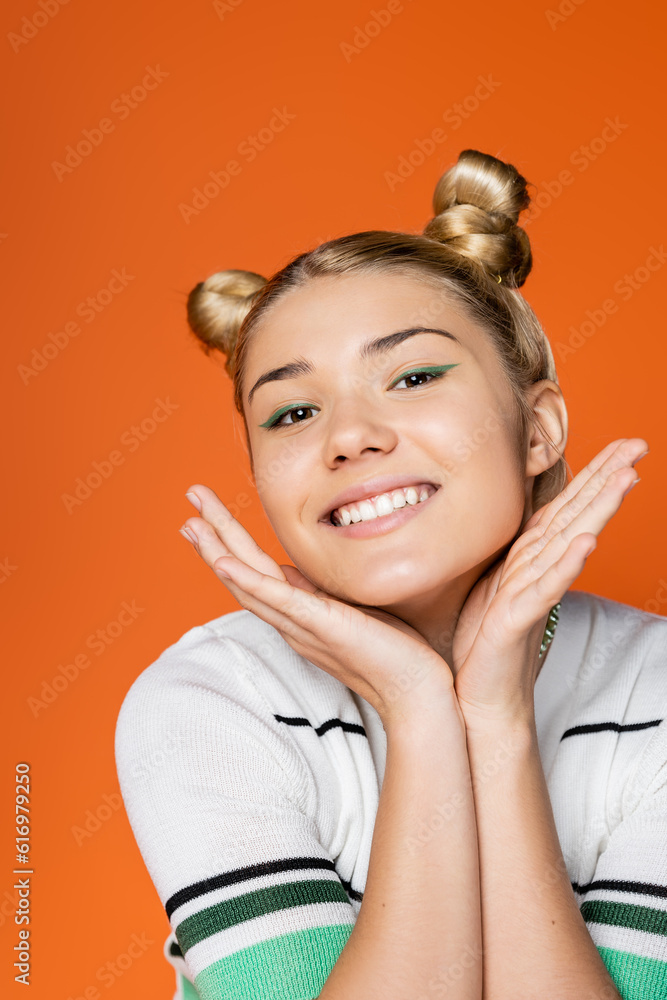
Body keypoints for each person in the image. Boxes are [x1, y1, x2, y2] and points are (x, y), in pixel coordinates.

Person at [114, 149, 667, 1000]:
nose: (349, 436)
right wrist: (418, 709)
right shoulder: (207, 701)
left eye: (412, 376)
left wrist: (495, 718)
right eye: (294, 411)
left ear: (537, 430)